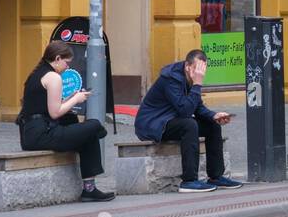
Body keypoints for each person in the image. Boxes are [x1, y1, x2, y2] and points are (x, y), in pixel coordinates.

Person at [16, 40, 114, 201]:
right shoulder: (53, 77)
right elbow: (55, 113)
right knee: (94, 125)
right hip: (43, 134)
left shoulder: (38, 73)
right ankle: (89, 188)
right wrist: (77, 100)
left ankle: (90, 189)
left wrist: (71, 97)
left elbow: (46, 108)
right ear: (57, 58)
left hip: (31, 134)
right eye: (67, 62)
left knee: (86, 132)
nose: (68, 67)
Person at [135, 49, 242, 193]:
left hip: (170, 120)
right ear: (187, 66)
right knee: (189, 125)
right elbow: (185, 110)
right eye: (196, 69)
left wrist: (213, 116)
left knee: (212, 126)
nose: (200, 73)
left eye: (202, 70)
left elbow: (197, 107)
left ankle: (216, 176)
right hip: (153, 124)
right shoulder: (170, 78)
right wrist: (197, 84)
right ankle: (189, 181)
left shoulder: (190, 79)